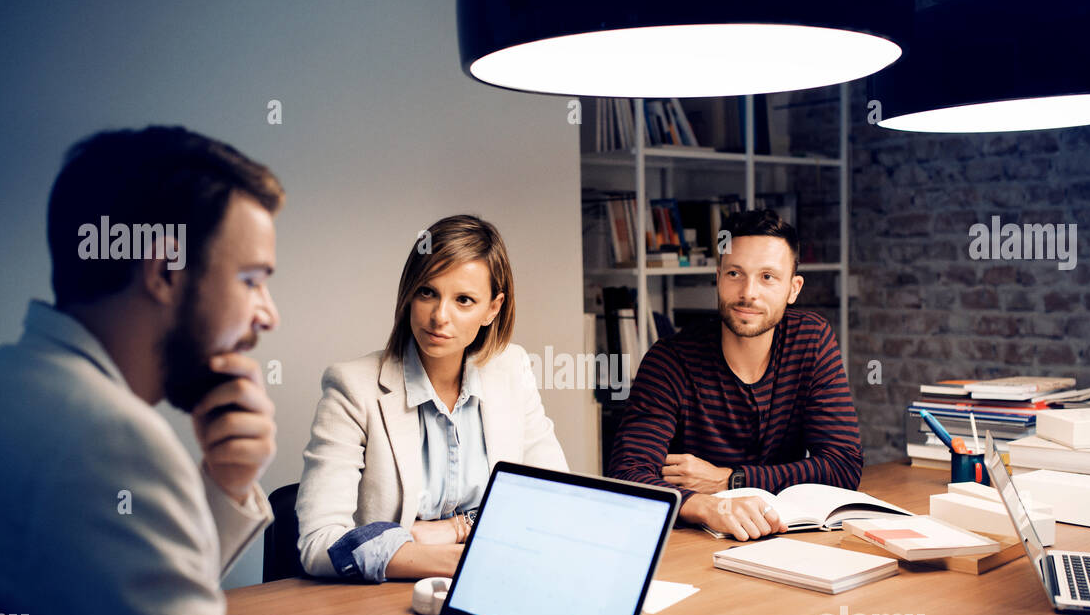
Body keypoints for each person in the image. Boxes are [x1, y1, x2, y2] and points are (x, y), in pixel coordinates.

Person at [0, 127, 513, 615]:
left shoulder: (4, 385)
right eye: (252, 279)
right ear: (163, 272)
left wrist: (223, 487)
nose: (268, 313)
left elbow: (134, 614)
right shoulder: (102, 442)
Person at [296, 215, 568, 581]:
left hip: (499, 583)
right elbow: (321, 545)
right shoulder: (352, 387)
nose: (440, 316)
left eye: (464, 300)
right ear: (409, 294)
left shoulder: (511, 369)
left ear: (493, 308)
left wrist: (457, 527)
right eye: (428, 292)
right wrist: (459, 560)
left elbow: (554, 501)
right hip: (383, 602)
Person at [608, 208, 864, 541]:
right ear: (718, 277)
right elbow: (628, 475)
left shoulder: (810, 341)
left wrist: (729, 480)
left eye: (767, 277)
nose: (749, 293)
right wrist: (707, 505)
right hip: (692, 548)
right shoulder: (669, 361)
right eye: (734, 274)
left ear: (793, 288)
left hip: (783, 538)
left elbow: (842, 464)